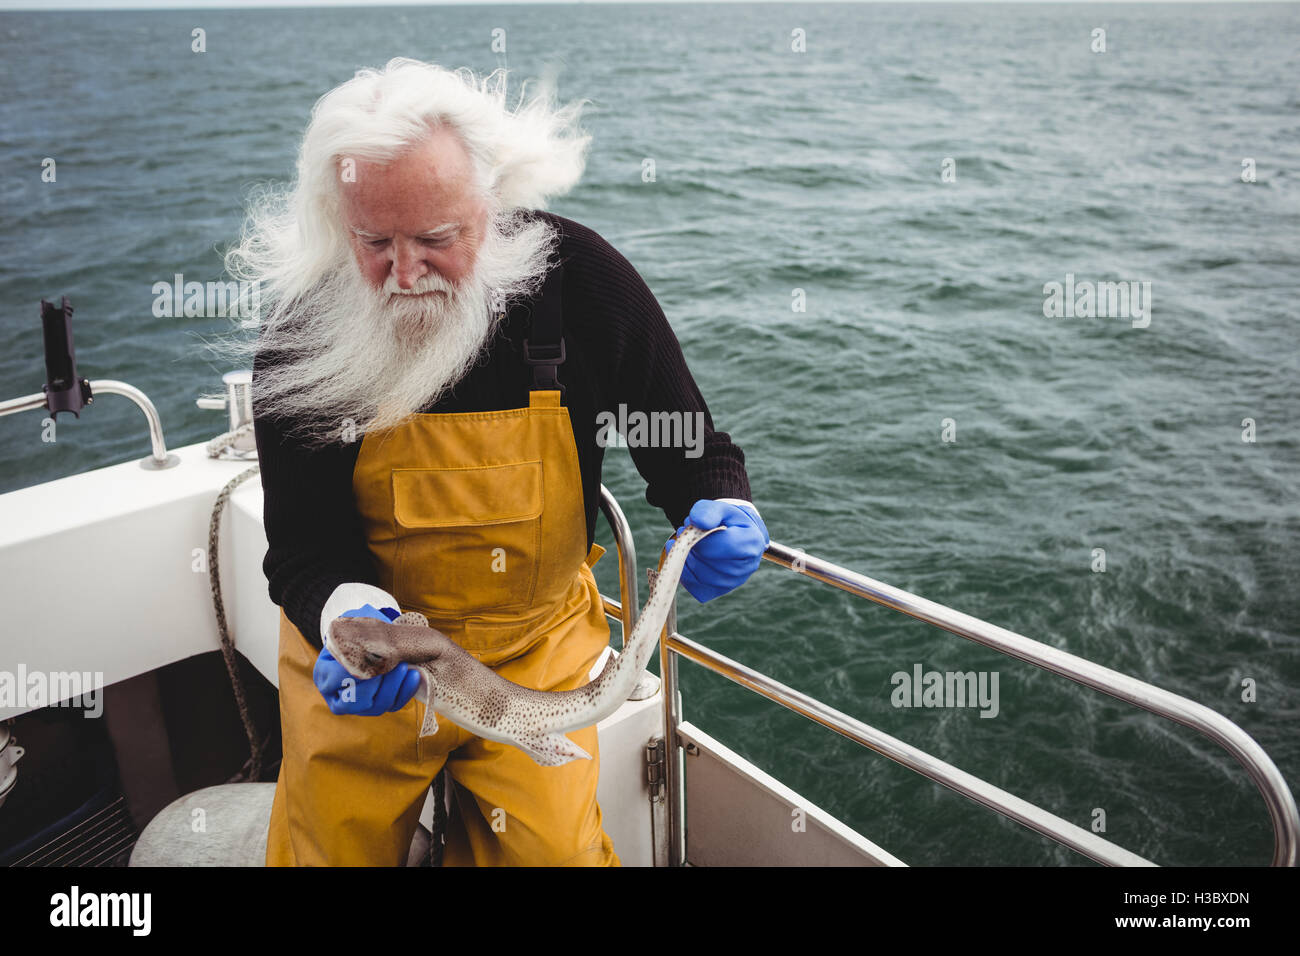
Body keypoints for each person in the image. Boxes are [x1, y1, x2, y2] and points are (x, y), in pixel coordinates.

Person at [224, 58, 768, 866]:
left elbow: (684, 443)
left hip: (534, 654)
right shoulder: (305, 334)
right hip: (373, 658)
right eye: (373, 241)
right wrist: (345, 618)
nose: (404, 275)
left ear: (493, 202)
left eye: (436, 239)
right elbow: (303, 547)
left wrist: (721, 502)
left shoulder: (580, 284)